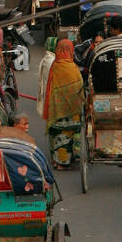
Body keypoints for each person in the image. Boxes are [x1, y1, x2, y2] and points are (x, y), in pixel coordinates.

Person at [39, 38, 84, 167]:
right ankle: (73, 157)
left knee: (60, 136)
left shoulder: (55, 66)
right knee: (71, 134)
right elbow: (79, 86)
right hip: (73, 111)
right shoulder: (73, 67)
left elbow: (51, 88)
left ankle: (60, 162)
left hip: (58, 111)